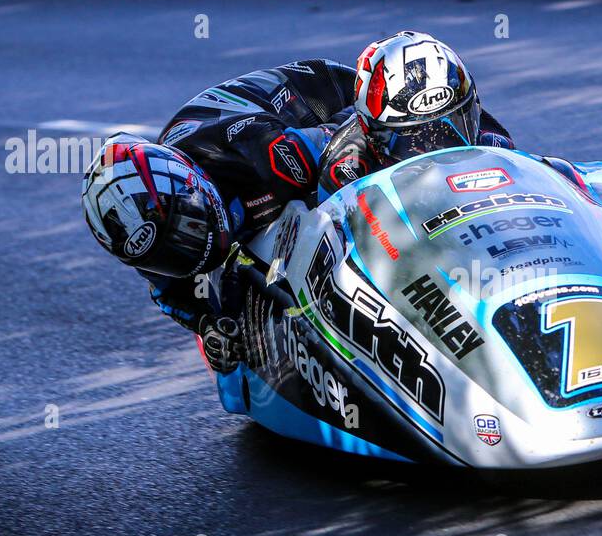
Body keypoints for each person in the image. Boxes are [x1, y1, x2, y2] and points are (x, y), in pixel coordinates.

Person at [80, 58, 356, 372]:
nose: (186, 249)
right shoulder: (146, 240)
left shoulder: (257, 155)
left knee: (337, 175)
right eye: (168, 255)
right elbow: (168, 292)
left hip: (332, 101)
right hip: (256, 178)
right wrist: (208, 324)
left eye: (187, 229)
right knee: (231, 300)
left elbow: (351, 135)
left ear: (191, 186)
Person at [317, 31, 516, 192]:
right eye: (413, 136)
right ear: (372, 131)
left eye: (454, 124)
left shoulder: (496, 144)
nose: (437, 146)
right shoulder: (346, 165)